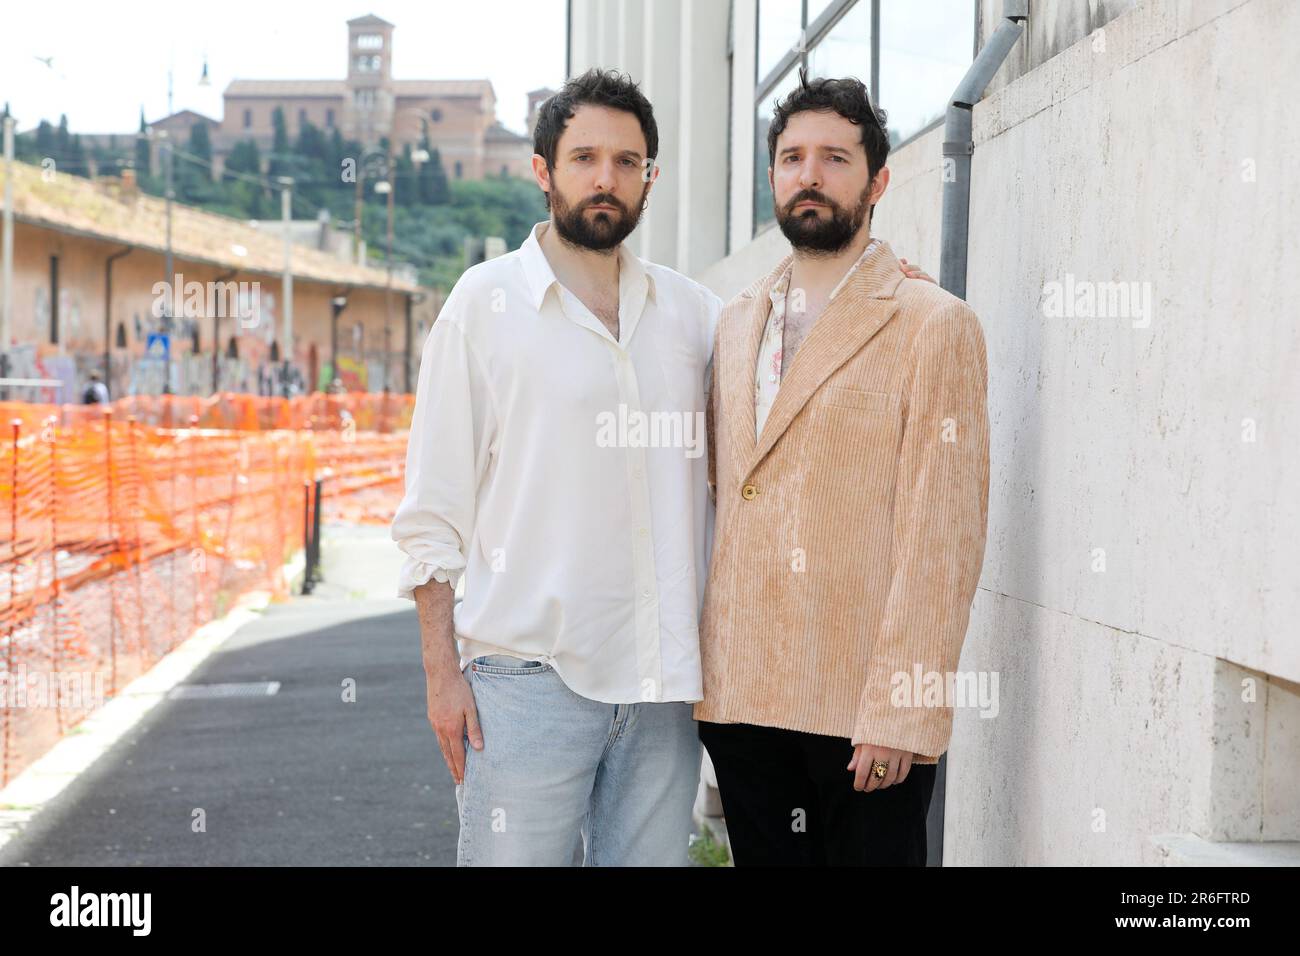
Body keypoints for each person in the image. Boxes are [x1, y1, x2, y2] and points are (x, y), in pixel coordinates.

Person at [695, 71, 991, 866]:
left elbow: (945, 531)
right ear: (772, 178)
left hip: (860, 709)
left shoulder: (934, 324)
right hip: (742, 701)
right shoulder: (733, 323)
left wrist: (905, 706)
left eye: (834, 157)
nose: (809, 175)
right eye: (792, 157)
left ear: (878, 180)